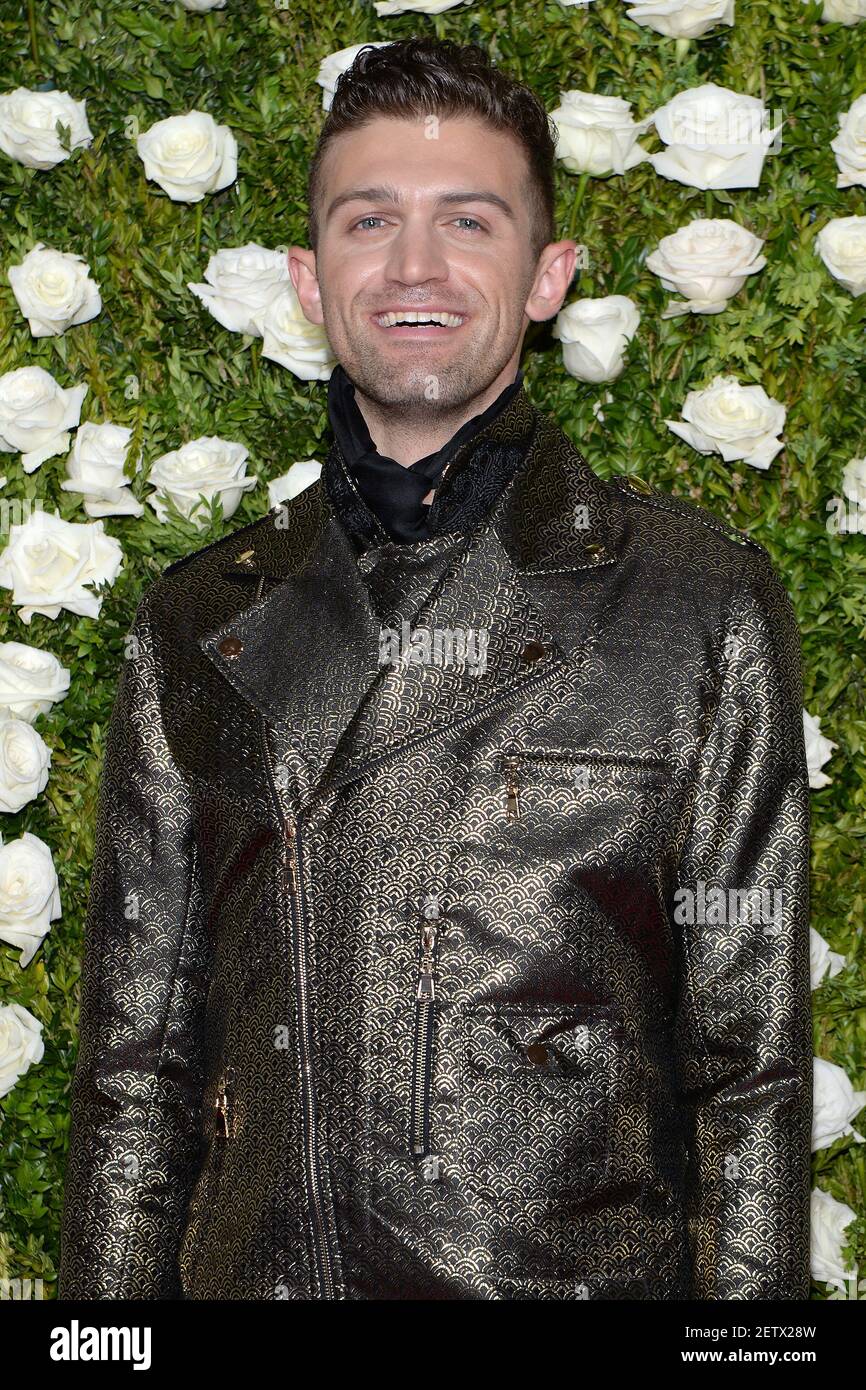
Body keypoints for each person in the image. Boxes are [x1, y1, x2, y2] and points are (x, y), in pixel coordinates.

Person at [59, 36, 812, 1301]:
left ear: (545, 275)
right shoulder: (193, 617)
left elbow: (750, 1069)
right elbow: (137, 1067)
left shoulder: (696, 602)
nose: (414, 267)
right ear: (310, 278)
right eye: (370, 222)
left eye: (467, 220)